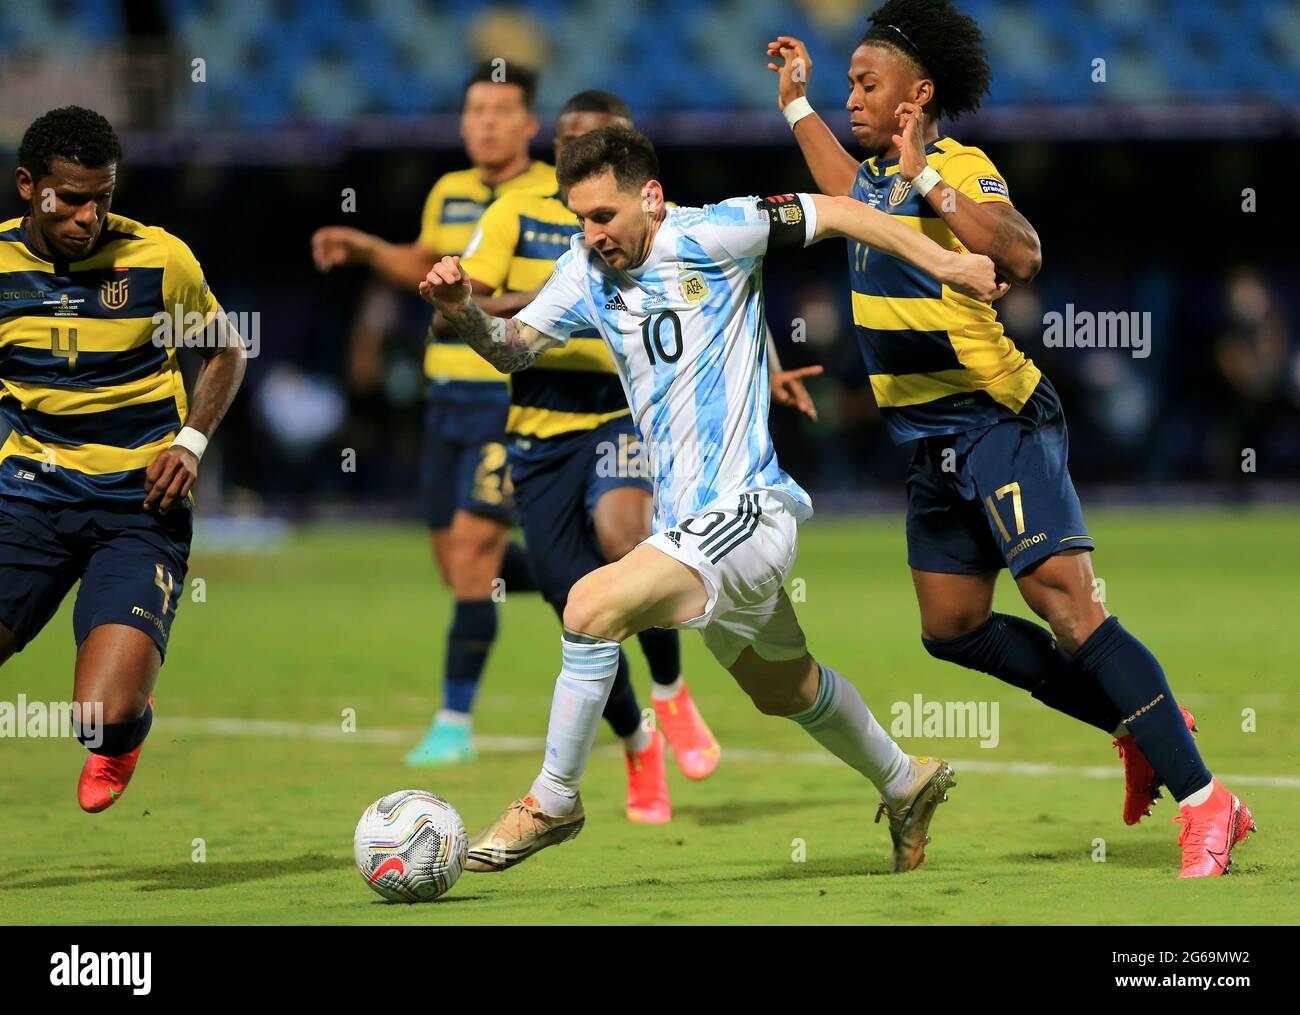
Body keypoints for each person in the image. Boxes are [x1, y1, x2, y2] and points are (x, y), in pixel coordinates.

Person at [420, 124, 1004, 873]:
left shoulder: (719, 230)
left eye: (604, 216)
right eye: (580, 219)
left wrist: (949, 261)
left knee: (588, 607)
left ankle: (554, 798)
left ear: (651, 199)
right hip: (689, 524)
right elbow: (513, 349)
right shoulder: (582, 270)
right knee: (783, 687)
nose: (592, 234)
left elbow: (846, 210)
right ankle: (905, 779)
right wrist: (467, 307)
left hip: (749, 513)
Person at [766, 0, 1254, 877]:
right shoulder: (871, 182)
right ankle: (1142, 723)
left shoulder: (955, 167)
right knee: (951, 628)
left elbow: (1022, 252)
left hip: (999, 418)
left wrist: (929, 182)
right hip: (931, 441)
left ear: (918, 95)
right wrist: (797, 103)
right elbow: (838, 185)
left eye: (865, 85)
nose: (853, 98)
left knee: (1066, 608)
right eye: (849, 85)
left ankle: (1209, 802)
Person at [0, 105, 246, 811]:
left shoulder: (157, 259)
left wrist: (190, 442)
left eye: (101, 198)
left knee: (99, 715)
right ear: (28, 185)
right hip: (26, 500)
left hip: (139, 508)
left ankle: (121, 734)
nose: (87, 216)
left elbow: (227, 349)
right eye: (70, 199)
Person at [312, 62, 553, 766]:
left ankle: (453, 721)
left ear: (529, 125)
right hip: (443, 397)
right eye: (474, 109)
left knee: (476, 555)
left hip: (504, 394)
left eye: (501, 110)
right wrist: (365, 248)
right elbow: (423, 261)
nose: (485, 122)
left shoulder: (550, 196)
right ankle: (578, 573)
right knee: (457, 566)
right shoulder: (448, 191)